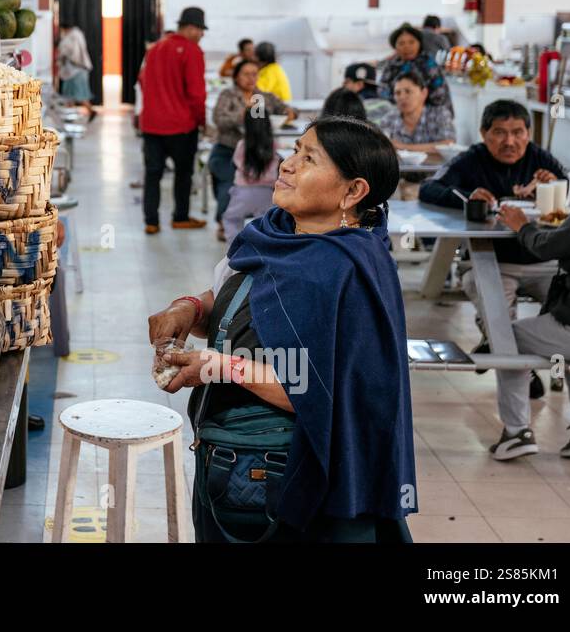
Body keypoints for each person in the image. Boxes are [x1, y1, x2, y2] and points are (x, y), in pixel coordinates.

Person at [149, 117, 414, 542]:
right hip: (227, 457)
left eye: (309, 159)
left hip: (286, 473)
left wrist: (218, 367)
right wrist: (190, 307)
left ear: (353, 191)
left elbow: (321, 391)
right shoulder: (272, 234)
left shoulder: (349, 272)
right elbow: (236, 296)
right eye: (294, 150)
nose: (287, 164)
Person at [419, 100, 566, 397]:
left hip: (544, 263)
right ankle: (520, 372)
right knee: (491, 300)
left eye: (518, 132)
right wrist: (466, 198)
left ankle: (497, 343)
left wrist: (556, 187)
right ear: (484, 134)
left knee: (569, 306)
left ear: (528, 133)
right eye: (499, 132)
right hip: (493, 263)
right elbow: (429, 188)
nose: (509, 141)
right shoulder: (471, 160)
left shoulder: (542, 161)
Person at [492, 108, 570, 461]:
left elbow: (553, 246)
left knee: (507, 337)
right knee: (559, 328)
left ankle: (517, 431)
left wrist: (520, 225)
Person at [139, 7, 208, 233]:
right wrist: (201, 120)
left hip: (151, 124)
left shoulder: (155, 49)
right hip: (182, 125)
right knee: (183, 173)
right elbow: (197, 93)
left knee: (153, 174)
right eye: (200, 30)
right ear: (190, 28)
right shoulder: (192, 50)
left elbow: (141, 80)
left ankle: (151, 222)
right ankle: (180, 217)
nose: (202, 35)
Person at [210, 58, 289, 241]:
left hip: (259, 150)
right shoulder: (228, 95)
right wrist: (244, 114)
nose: (251, 78)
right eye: (246, 74)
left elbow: (285, 108)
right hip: (228, 150)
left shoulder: (262, 96)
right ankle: (224, 223)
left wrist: (288, 113)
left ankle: (261, 228)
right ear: (236, 76)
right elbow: (219, 119)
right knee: (227, 183)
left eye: (254, 74)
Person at [221, 106, 280, 243]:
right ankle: (265, 249)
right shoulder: (273, 145)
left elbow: (236, 164)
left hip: (243, 192)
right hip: (268, 194)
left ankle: (236, 250)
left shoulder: (242, 145)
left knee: (231, 219)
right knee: (266, 223)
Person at [378, 23, 452, 114]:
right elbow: (382, 89)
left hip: (430, 115)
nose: (406, 47)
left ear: (419, 44)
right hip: (397, 113)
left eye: (411, 42)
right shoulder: (391, 65)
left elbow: (440, 94)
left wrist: (416, 110)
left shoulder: (429, 64)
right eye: (401, 43)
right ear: (395, 47)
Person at [378, 70, 455, 151]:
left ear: (423, 93)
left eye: (408, 91)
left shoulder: (440, 115)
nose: (402, 97)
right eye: (397, 93)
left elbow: (448, 144)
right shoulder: (388, 119)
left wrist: (402, 147)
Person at [56, 21, 94, 121]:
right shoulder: (77, 34)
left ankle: (91, 112)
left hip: (76, 71)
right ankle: (70, 117)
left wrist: (62, 56)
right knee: (69, 96)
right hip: (74, 71)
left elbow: (74, 54)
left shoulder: (72, 36)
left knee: (80, 95)